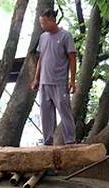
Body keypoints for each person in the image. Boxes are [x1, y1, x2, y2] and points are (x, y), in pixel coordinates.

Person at [31, 8, 77, 145]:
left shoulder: (65, 36)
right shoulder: (43, 37)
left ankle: (70, 140)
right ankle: (47, 141)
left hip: (60, 81)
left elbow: (72, 58)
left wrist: (72, 80)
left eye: (44, 23)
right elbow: (41, 59)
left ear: (53, 20)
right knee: (46, 114)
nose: (42, 26)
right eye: (41, 23)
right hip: (44, 82)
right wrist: (36, 78)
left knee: (64, 111)